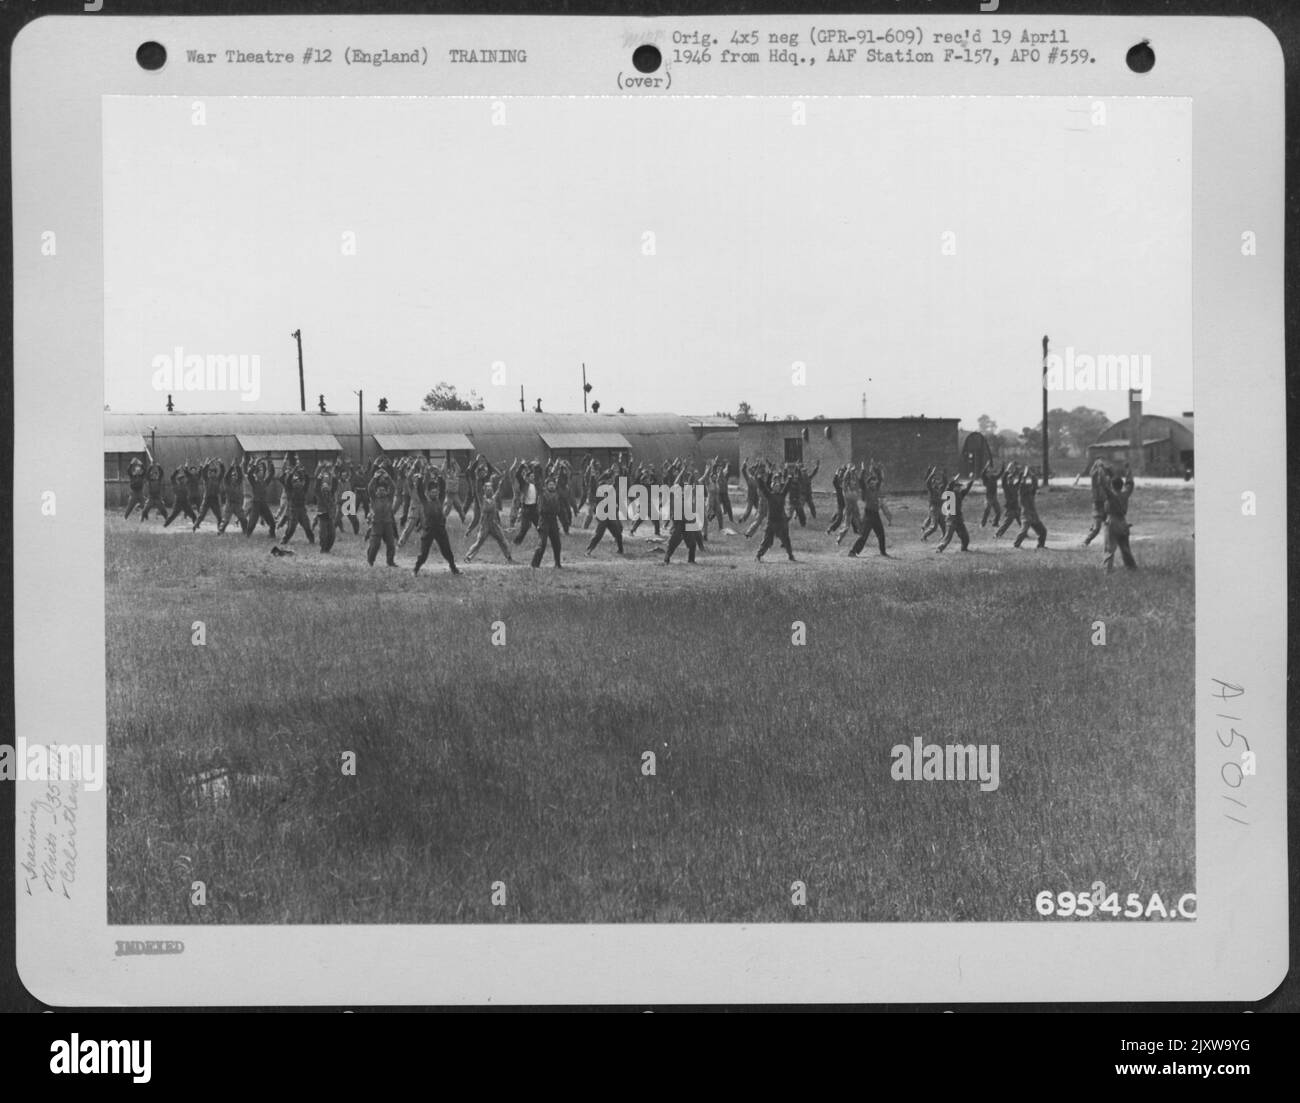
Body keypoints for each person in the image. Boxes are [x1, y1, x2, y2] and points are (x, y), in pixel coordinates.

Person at [413, 467, 460, 576]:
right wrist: (420, 477)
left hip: (440, 529)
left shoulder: (441, 499)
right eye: (432, 492)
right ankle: (415, 570)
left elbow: (443, 486)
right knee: (423, 554)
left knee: (447, 552)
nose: (434, 494)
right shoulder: (425, 502)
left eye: (436, 492)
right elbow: (420, 491)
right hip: (428, 530)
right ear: (428, 493)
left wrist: (438, 474)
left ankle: (454, 569)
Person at [465, 475, 513, 563]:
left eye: (491, 489)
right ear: (485, 490)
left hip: (494, 524)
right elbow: (478, 491)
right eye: (487, 489)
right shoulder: (482, 499)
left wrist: (501, 480)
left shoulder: (494, 498)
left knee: (502, 540)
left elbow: (499, 489)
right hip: (485, 525)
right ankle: (468, 556)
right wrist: (477, 480)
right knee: (479, 542)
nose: (490, 491)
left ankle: (509, 557)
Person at [848, 462, 889, 557]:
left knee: (881, 534)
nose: (874, 483)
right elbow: (860, 480)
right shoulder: (866, 490)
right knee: (864, 536)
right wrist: (862, 470)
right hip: (868, 515)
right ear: (869, 484)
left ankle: (883, 552)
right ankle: (853, 551)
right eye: (872, 482)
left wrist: (876, 469)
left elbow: (880, 479)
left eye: (875, 482)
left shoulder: (876, 489)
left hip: (876, 515)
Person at [755, 467, 795, 562]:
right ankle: (758, 555)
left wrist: (790, 477)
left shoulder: (782, 495)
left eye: (778, 486)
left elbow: (787, 486)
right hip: (771, 522)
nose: (777, 487)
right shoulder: (770, 496)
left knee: (786, 539)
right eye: (775, 486)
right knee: (767, 541)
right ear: (772, 487)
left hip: (780, 522)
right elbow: (763, 487)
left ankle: (790, 555)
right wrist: (759, 478)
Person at [1102, 471, 1136, 570]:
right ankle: (1132, 569)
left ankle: (1107, 571)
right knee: (1125, 549)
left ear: (1112, 485)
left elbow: (1104, 486)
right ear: (1122, 485)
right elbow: (1130, 484)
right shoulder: (1125, 494)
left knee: (1109, 549)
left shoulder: (1111, 495)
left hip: (1112, 522)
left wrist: (1102, 473)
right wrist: (1128, 472)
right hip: (1123, 523)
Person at [366, 468, 399, 566]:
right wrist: (374, 478)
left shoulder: (389, 498)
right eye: (379, 490)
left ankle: (390, 561)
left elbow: (393, 487)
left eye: (383, 490)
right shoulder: (374, 499)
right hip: (377, 524)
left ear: (386, 491)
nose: (381, 492)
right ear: (376, 492)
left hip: (388, 524)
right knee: (375, 544)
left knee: (391, 544)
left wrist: (388, 477)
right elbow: (369, 488)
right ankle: (370, 560)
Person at [936, 473, 976, 552]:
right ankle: (939, 548)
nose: (959, 488)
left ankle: (964, 548)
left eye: (959, 486)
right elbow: (948, 487)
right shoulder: (949, 494)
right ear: (954, 487)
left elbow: (967, 489)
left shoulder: (960, 494)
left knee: (965, 537)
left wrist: (971, 480)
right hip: (951, 518)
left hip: (959, 518)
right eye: (957, 486)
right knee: (948, 536)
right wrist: (953, 480)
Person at [530, 476, 564, 568]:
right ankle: (534, 564)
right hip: (544, 521)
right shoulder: (542, 493)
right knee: (542, 544)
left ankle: (557, 564)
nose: (552, 486)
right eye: (550, 484)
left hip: (553, 520)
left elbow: (562, 480)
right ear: (546, 485)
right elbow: (537, 483)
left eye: (553, 484)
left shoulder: (557, 493)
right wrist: (537, 472)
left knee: (557, 543)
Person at [1012, 467, 1047, 549]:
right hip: (1026, 515)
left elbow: (1035, 484)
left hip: (1033, 515)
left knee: (1043, 531)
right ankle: (1016, 545)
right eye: (1028, 486)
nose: (1029, 487)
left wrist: (1032, 475)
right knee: (1023, 532)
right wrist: (1024, 475)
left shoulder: (1031, 493)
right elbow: (1022, 484)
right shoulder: (1021, 494)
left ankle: (1040, 546)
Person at [162, 463, 198, 528]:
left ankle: (196, 526)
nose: (184, 479)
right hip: (178, 502)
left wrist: (184, 470)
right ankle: (165, 525)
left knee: (193, 515)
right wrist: (177, 470)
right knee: (173, 515)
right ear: (179, 480)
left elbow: (190, 477)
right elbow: (172, 477)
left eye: (184, 478)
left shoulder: (186, 484)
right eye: (182, 479)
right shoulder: (175, 484)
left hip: (185, 502)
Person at [218, 458, 247, 535]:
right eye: (233, 476)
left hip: (237, 504)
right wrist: (231, 467)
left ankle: (245, 532)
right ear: (230, 477)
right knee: (225, 520)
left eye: (235, 476)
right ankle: (220, 531)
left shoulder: (238, 483)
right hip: (229, 504)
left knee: (243, 519)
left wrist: (237, 466)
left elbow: (240, 475)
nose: (234, 477)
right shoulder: (227, 483)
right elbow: (226, 476)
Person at [994, 462, 1022, 538]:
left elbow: (1019, 481)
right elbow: (1003, 480)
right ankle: (998, 534)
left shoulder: (1015, 486)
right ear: (1008, 480)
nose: (1011, 480)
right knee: (1007, 522)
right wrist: (1007, 471)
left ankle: (1024, 534)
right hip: (1010, 508)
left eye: (1012, 478)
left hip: (1016, 507)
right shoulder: (1006, 487)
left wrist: (1019, 472)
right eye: (1010, 479)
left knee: (1022, 521)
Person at [979, 460, 1005, 528]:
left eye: (991, 472)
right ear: (987, 473)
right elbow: (982, 474)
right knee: (987, 510)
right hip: (988, 497)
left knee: (999, 511)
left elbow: (1000, 473)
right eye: (989, 472)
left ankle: (995, 523)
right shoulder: (985, 479)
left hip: (994, 497)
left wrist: (1003, 466)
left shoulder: (994, 477)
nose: (990, 473)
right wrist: (986, 466)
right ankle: (982, 524)